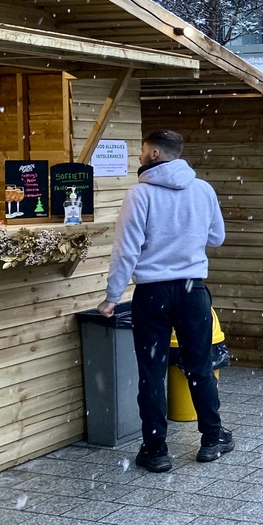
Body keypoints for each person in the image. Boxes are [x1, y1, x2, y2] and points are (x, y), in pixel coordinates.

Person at [98, 129, 230, 472]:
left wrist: (112, 297)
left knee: (152, 373)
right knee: (200, 366)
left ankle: (156, 449)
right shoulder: (203, 190)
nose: (139, 157)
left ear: (154, 154)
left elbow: (126, 251)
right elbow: (216, 237)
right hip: (192, 291)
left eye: (142, 151)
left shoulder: (139, 195)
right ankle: (212, 439)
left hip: (152, 293)